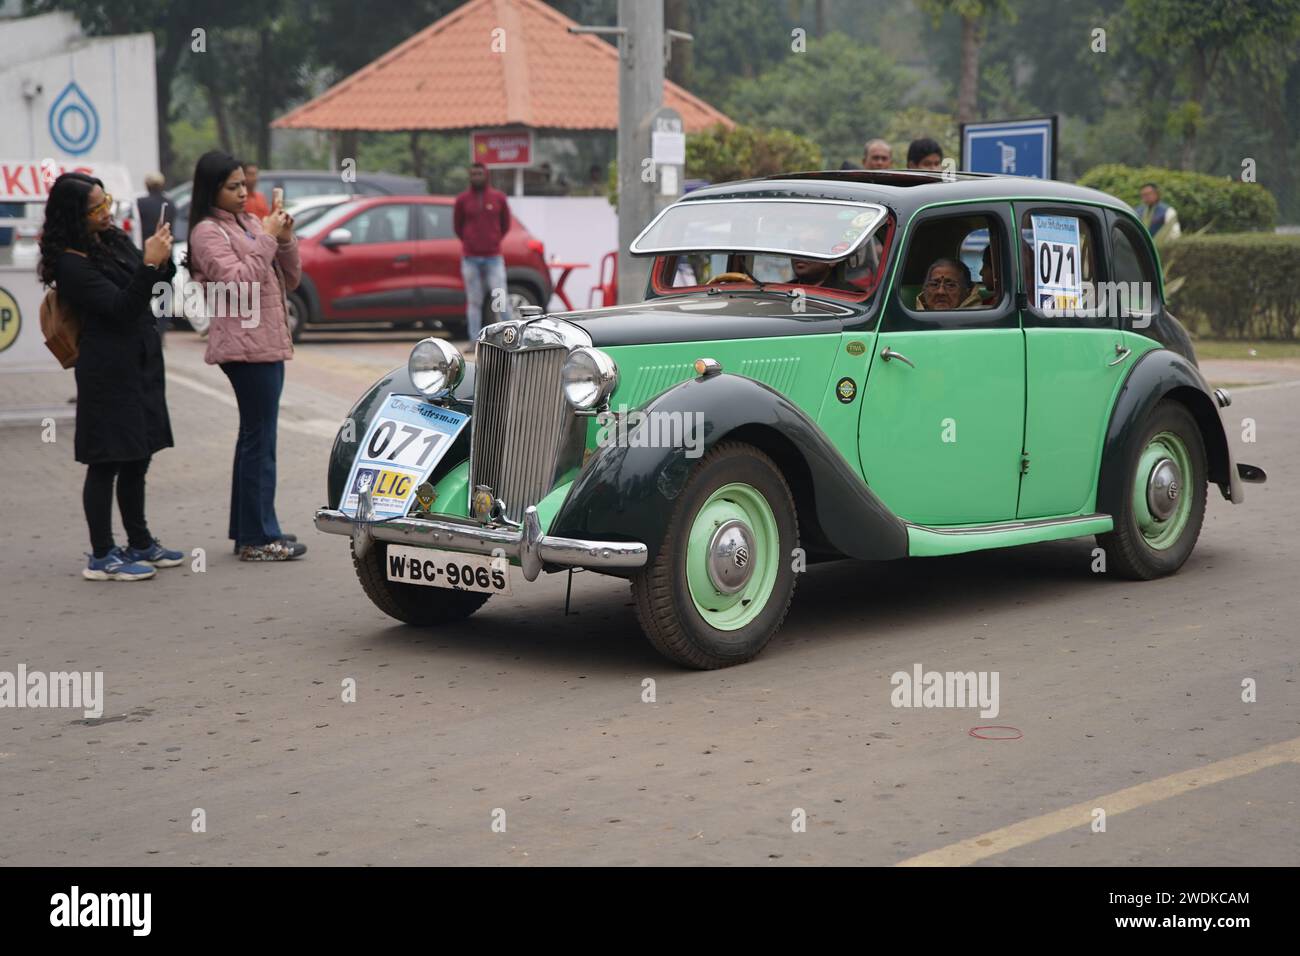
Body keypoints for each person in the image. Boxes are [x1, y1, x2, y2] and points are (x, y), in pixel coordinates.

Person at [38, 172, 185, 581]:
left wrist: (162, 260)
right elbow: (120, 307)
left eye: (107, 202)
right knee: (106, 459)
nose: (106, 212)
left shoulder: (112, 239)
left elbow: (152, 286)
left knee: (138, 454)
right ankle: (102, 554)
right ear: (75, 214)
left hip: (140, 362)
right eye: (96, 207)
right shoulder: (70, 263)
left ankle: (139, 541)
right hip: (106, 370)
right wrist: (149, 263)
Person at [186, 151, 305, 562]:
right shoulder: (207, 232)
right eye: (232, 186)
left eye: (244, 184)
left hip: (266, 342)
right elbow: (239, 285)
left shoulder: (250, 222)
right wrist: (268, 238)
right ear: (212, 189)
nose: (242, 192)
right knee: (260, 442)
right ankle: (257, 537)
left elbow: (290, 278)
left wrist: (284, 238)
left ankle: (252, 527)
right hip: (244, 348)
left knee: (256, 438)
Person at [453, 162, 512, 346]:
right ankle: (474, 341)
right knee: (474, 301)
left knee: (500, 297)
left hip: (493, 257)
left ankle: (510, 339)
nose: (476, 177)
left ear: (486, 175)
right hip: (470, 258)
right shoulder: (462, 200)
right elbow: (458, 226)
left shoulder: (498, 198)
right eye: (473, 174)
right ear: (469, 176)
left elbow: (505, 224)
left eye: (480, 173)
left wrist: (493, 241)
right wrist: (470, 242)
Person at [916, 258, 982, 310]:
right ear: (925, 290)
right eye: (934, 284)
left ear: (968, 292)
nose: (941, 292)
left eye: (951, 285)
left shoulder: (980, 319)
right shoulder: (913, 317)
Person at [137, 172, 175, 240]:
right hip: (166, 242)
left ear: (147, 186)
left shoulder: (140, 203)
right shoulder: (170, 203)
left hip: (146, 243)